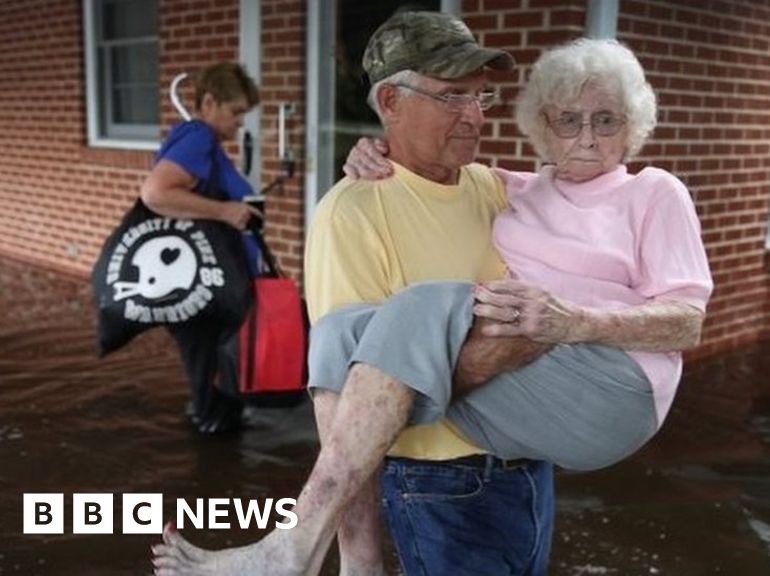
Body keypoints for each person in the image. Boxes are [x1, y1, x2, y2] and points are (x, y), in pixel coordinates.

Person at [153, 16, 710, 576]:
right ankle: (323, 551)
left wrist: (569, 323)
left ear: (633, 124)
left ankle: (296, 544)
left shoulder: (508, 187)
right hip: (446, 478)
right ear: (391, 100)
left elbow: (686, 319)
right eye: (452, 96)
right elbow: (342, 399)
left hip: (575, 413)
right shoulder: (392, 205)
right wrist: (361, 548)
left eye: (478, 96)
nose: (586, 136)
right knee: (340, 333)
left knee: (422, 305)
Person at [140, 62, 262, 434]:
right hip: (203, 289)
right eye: (236, 111)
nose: (240, 122)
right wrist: (227, 210)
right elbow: (156, 192)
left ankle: (210, 456)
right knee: (213, 398)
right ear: (209, 102)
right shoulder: (198, 138)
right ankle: (213, 472)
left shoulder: (200, 141)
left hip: (204, 286)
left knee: (212, 384)